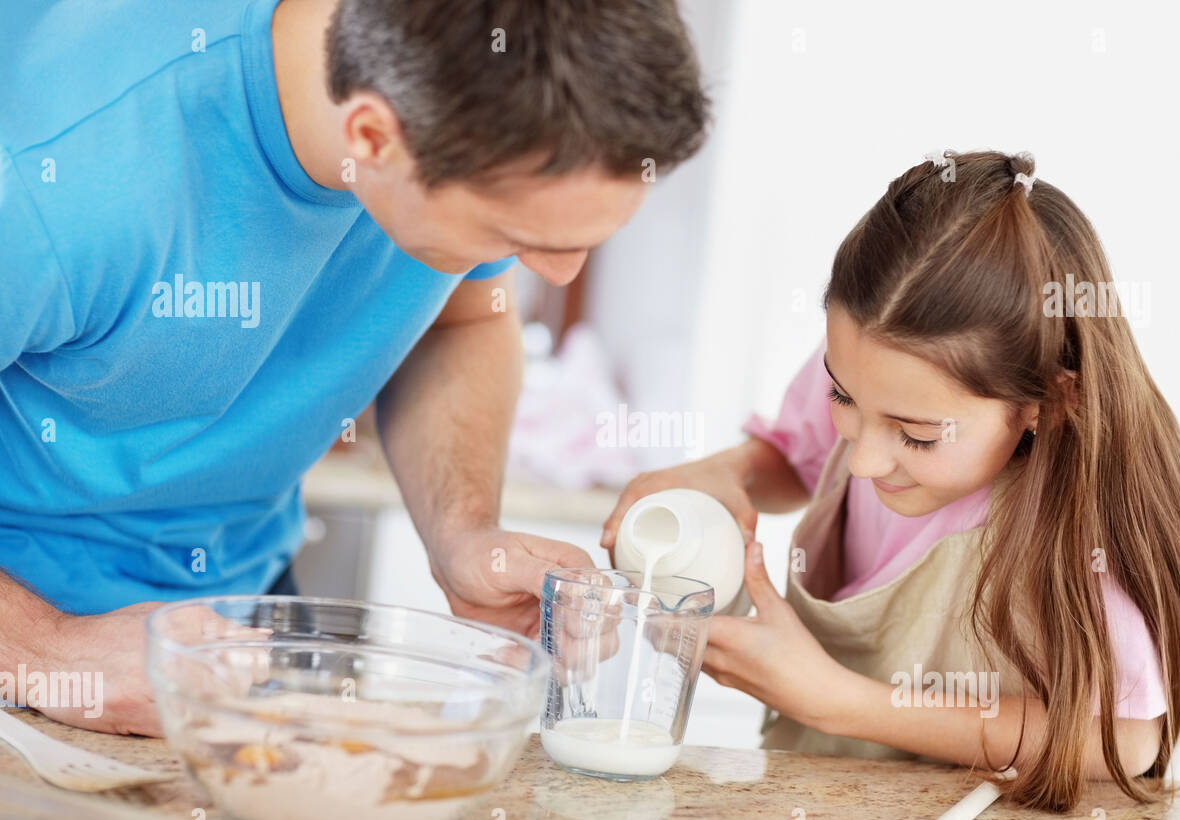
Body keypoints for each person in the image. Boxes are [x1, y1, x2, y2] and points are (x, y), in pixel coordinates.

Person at [0, 0, 709, 735]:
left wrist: (462, 533)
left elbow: (462, 319)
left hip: (236, 612)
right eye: (518, 236)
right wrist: (50, 654)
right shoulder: (51, 172)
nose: (560, 275)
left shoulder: (473, 104)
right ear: (372, 136)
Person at [602, 150, 1180, 812]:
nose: (862, 460)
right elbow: (795, 458)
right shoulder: (874, 368)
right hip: (816, 811)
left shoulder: (1081, 526)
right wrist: (728, 473)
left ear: (1047, 403)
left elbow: (1123, 742)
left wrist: (843, 703)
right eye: (842, 398)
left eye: (917, 435)